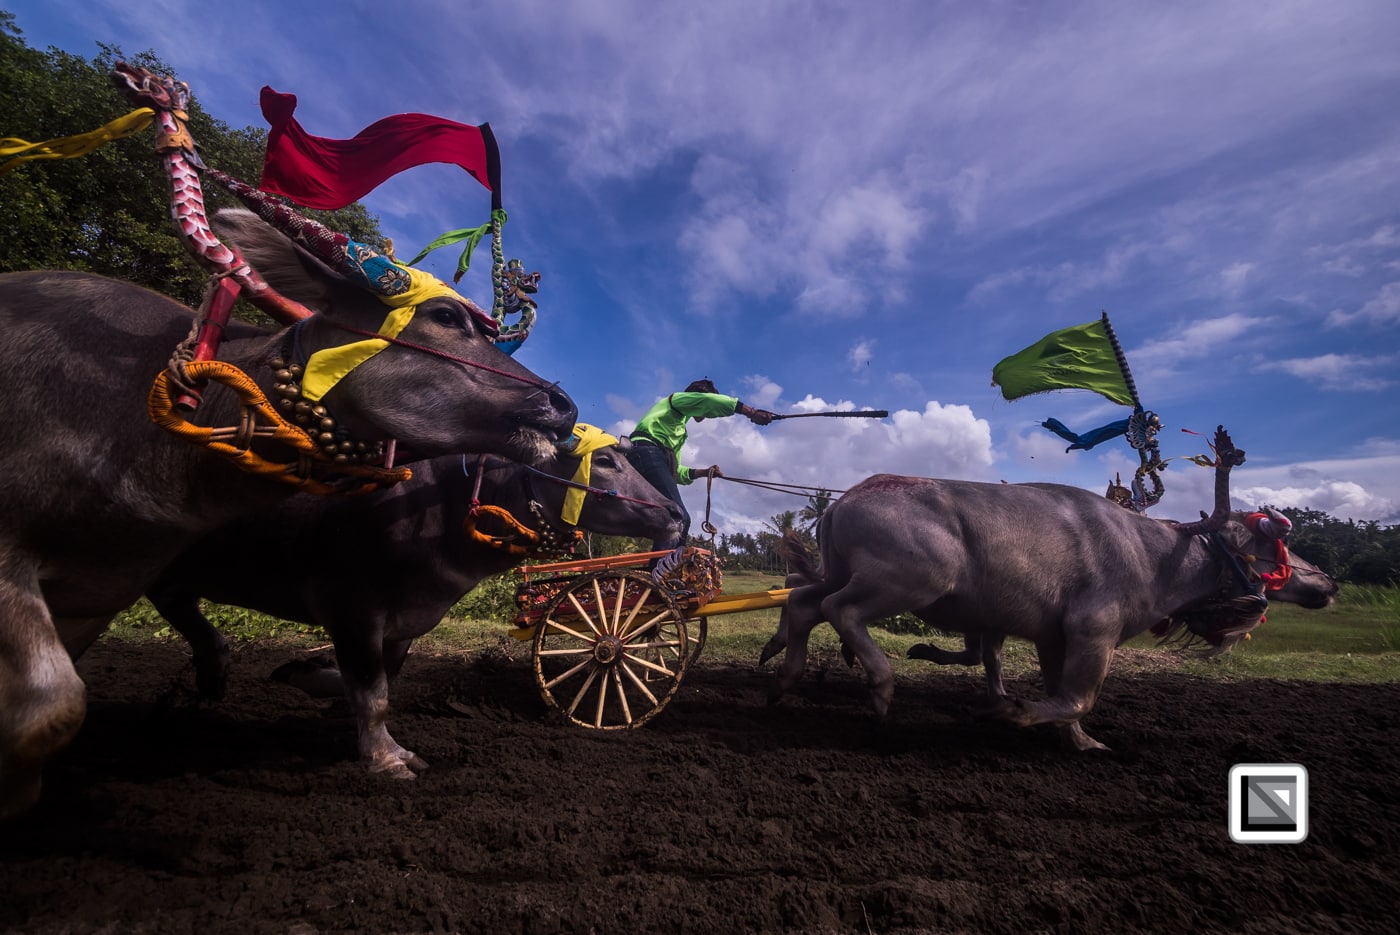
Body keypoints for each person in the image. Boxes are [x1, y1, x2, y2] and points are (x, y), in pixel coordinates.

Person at [625, 379, 774, 551]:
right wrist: (751, 412)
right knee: (678, 517)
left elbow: (676, 473)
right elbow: (708, 402)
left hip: (651, 457)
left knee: (675, 518)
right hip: (645, 451)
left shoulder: (678, 428)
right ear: (696, 397)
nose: (706, 413)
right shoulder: (676, 400)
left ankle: (665, 569)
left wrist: (704, 472)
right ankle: (660, 573)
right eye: (704, 406)